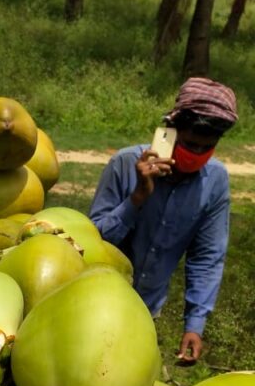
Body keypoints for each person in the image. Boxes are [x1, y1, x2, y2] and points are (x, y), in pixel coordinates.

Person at [89, 77, 238, 364]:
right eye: (189, 144)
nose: (195, 155)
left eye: (205, 148)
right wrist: (137, 198)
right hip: (95, 300)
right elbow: (92, 240)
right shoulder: (123, 165)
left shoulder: (215, 182)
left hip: (146, 310)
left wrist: (195, 324)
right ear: (169, 133)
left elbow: (207, 257)